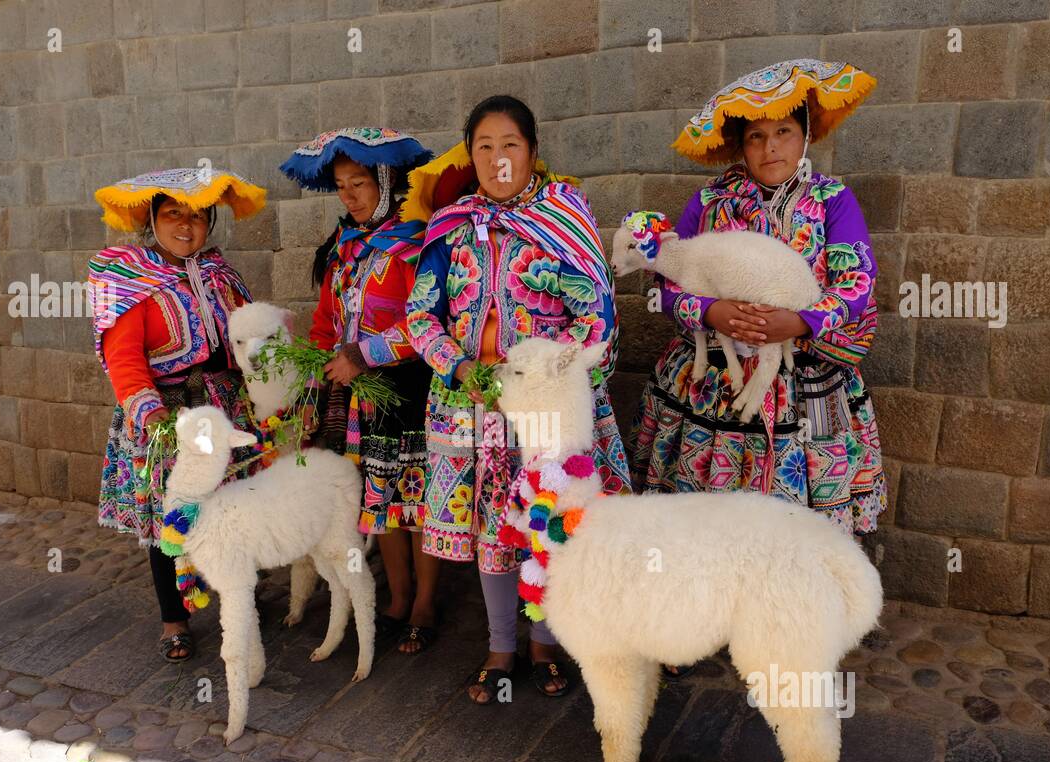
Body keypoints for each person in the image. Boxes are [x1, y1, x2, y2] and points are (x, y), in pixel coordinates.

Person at [342, 95, 632, 703]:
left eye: (510, 146)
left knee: (550, 520)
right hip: (469, 405)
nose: (498, 159)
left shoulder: (564, 217)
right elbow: (423, 317)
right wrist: (460, 364)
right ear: (470, 156)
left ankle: (546, 643)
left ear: (532, 151)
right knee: (492, 528)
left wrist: (545, 367)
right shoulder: (451, 227)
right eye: (484, 147)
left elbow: (599, 320)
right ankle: (501, 646)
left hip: (546, 410)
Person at [634, 60, 887, 677]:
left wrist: (797, 324)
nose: (769, 147)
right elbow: (665, 287)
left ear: (805, 134)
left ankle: (795, 630)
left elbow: (857, 284)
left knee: (797, 524)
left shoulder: (832, 202)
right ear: (739, 144)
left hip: (808, 382)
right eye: (755, 136)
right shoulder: (710, 202)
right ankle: (695, 624)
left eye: (782, 133)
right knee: (705, 513)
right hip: (713, 386)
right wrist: (713, 311)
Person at [89, 167, 268, 662]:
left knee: (233, 511)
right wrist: (152, 419)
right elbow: (123, 357)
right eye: (173, 214)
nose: (186, 225)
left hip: (225, 408)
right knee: (173, 519)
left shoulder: (220, 272)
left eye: (196, 216)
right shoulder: (128, 277)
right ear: (153, 218)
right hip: (169, 415)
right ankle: (175, 620)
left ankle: (239, 602)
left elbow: (246, 338)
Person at [280, 128, 443, 653]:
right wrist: (313, 373)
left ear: (387, 182)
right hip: (362, 396)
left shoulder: (416, 243)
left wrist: (365, 354)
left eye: (359, 184)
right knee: (380, 500)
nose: (349, 196)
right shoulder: (343, 250)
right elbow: (327, 322)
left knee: (415, 499)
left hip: (412, 387)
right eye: (342, 186)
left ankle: (425, 603)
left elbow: (429, 320)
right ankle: (397, 596)